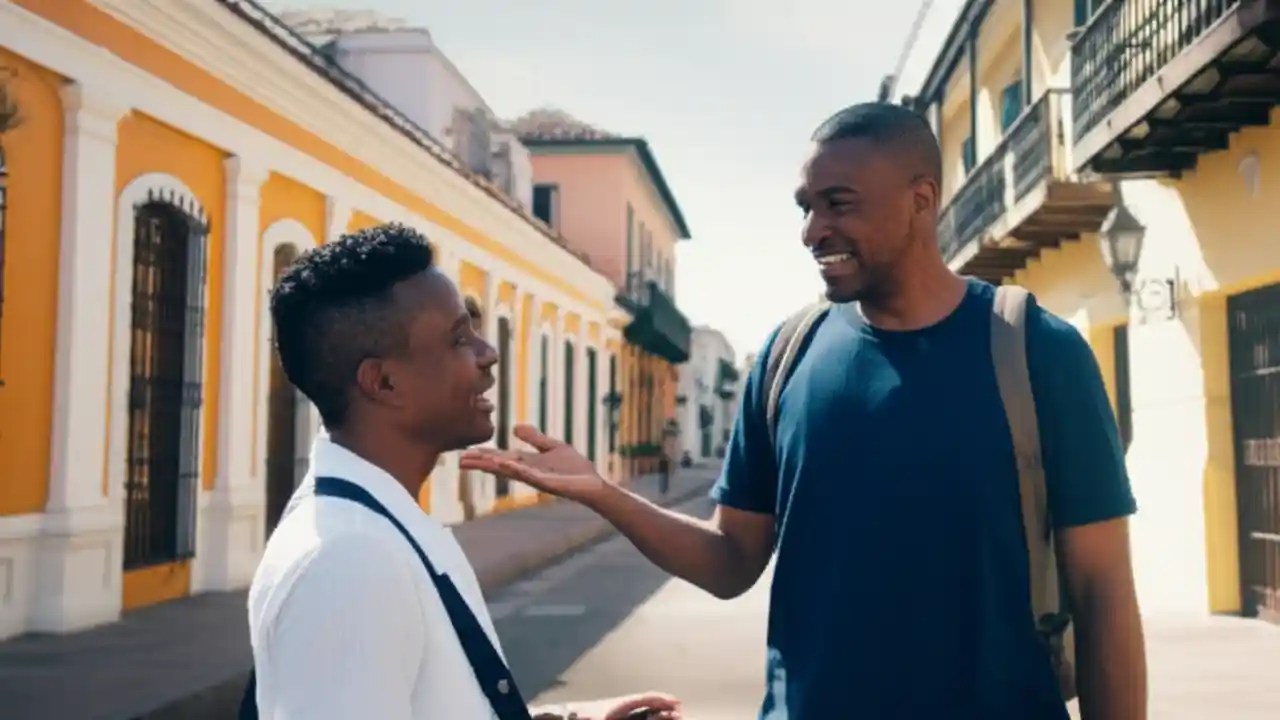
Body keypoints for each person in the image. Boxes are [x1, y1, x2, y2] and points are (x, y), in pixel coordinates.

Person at [460, 103, 1148, 719]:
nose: (813, 231)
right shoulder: (788, 358)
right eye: (806, 206)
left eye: (839, 204)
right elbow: (732, 559)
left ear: (922, 199)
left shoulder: (1039, 353)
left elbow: (1103, 593)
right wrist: (604, 495)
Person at [245, 223, 682, 720]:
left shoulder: (380, 529)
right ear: (384, 382)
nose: (488, 353)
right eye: (459, 339)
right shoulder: (349, 561)